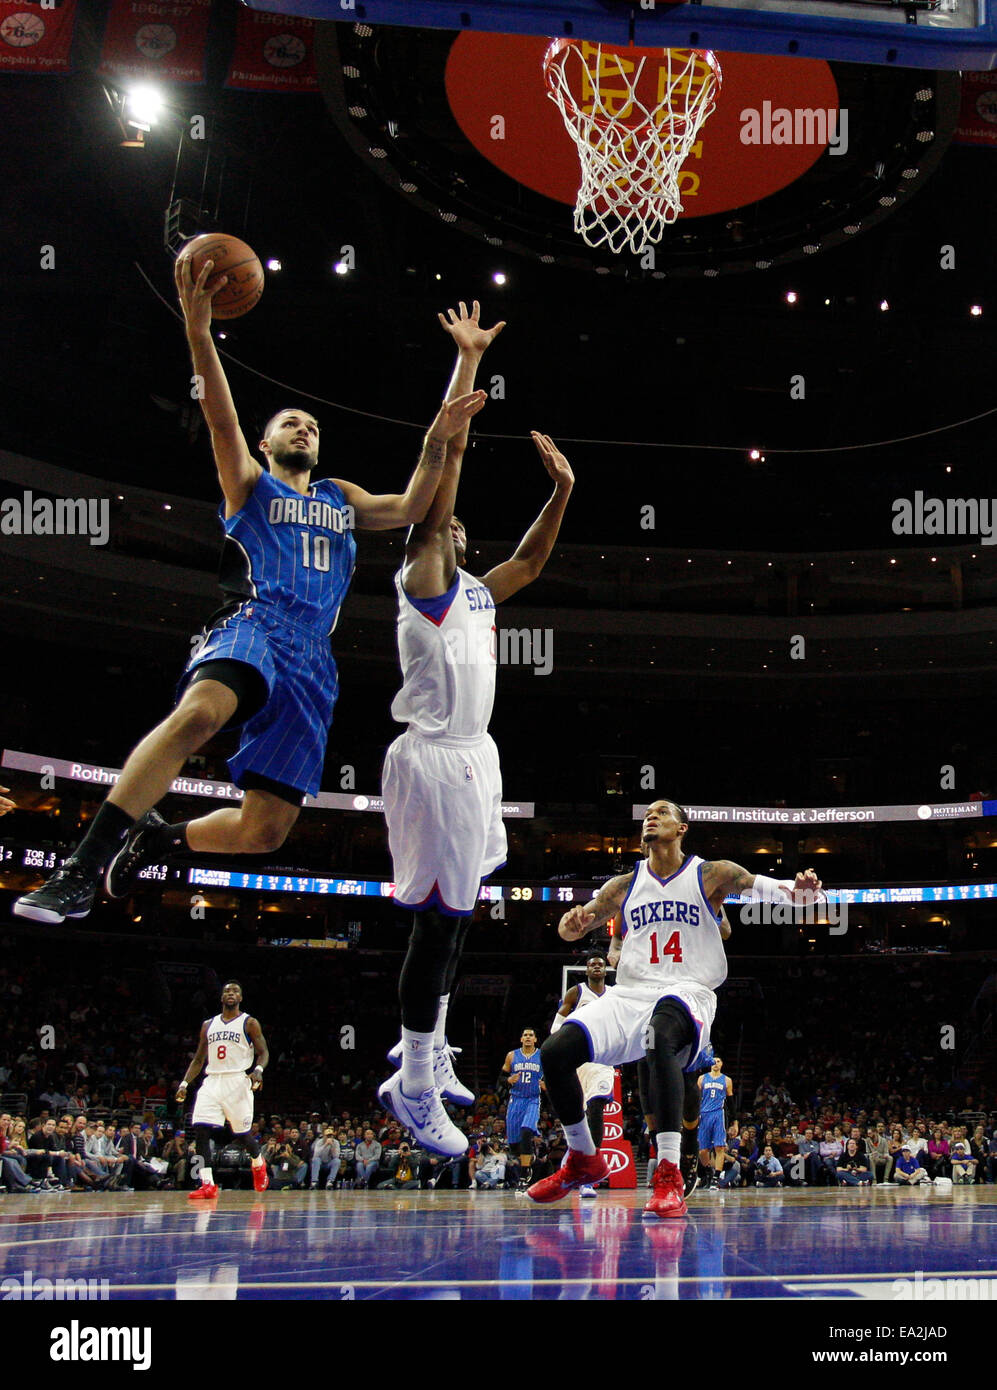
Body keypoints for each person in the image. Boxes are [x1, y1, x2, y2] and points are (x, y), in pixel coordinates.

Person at [13, 264, 485, 927]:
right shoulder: (249, 486)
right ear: (266, 443)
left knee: (266, 832)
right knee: (199, 717)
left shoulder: (339, 498)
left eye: (311, 426)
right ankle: (81, 868)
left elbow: (415, 500)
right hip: (255, 622)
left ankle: (158, 838)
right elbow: (218, 415)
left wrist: (461, 374)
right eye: (290, 423)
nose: (303, 429)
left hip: (313, 659)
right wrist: (199, 329)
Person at [379, 300, 574, 1158]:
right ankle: (413, 1078)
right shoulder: (422, 574)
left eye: (459, 526)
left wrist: (562, 490)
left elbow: (529, 559)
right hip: (430, 759)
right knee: (436, 921)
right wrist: (462, 374)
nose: (451, 528)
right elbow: (440, 476)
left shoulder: (480, 591)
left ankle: (428, 1047)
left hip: (476, 761)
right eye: (444, 523)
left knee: (459, 920)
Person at [528, 798, 823, 1218]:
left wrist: (802, 894)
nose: (652, 815)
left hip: (688, 990)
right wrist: (570, 925)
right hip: (630, 995)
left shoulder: (710, 873)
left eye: (663, 812)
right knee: (555, 1053)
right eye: (649, 812)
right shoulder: (623, 885)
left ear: (682, 829)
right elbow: (573, 925)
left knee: (660, 1033)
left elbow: (775, 891)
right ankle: (582, 1158)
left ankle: (668, 1171)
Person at [176, 980, 270, 1201]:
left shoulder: (250, 1023)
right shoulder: (208, 1025)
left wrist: (258, 1070)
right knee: (200, 1129)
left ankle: (258, 1162)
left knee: (241, 1133)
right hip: (212, 1081)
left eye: (235, 991)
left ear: (240, 998)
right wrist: (184, 1084)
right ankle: (207, 1184)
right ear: (221, 998)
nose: (230, 993)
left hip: (238, 1080)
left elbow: (264, 1053)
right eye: (227, 990)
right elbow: (199, 1059)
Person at [550, 952, 616, 1198]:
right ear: (586, 970)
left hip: (602, 1060)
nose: (597, 967)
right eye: (592, 965)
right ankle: (576, 1157)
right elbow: (556, 1028)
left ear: (605, 970)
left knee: (596, 1107)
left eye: (600, 964)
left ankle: (590, 1173)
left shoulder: (613, 995)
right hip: (579, 1060)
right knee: (578, 1113)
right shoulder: (575, 993)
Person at [502, 1029, 545, 1192]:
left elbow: (551, 1074)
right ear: (521, 1039)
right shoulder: (512, 1056)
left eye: (531, 1035)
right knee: (514, 1145)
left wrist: (546, 1085)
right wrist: (508, 1080)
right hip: (516, 1100)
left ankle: (524, 1174)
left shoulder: (542, 1055)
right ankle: (529, 1159)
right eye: (525, 1035)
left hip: (532, 1099)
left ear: (535, 1039)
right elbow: (501, 1077)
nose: (528, 1037)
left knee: (527, 1130)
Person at [697, 1055, 733, 1193]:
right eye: (713, 1061)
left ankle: (716, 1178)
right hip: (704, 1114)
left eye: (718, 1061)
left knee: (719, 1148)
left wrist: (734, 1122)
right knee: (702, 1150)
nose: (715, 1063)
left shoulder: (727, 1080)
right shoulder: (702, 1079)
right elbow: (695, 1098)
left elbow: (730, 1103)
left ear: (722, 1064)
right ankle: (708, 1171)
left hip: (718, 1114)